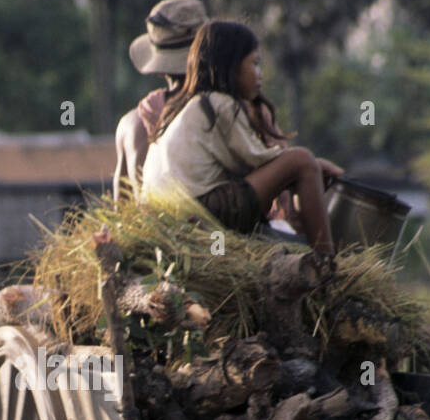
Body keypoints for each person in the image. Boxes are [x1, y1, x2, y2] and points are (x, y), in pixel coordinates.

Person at [141, 20, 343, 266]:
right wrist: (314, 166)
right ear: (232, 65)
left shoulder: (181, 106)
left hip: (168, 220)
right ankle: (327, 264)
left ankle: (311, 252)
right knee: (301, 160)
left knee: (302, 165)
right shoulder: (219, 104)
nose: (260, 74)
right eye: (255, 64)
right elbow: (258, 162)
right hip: (201, 213)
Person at [113, 0, 208, 203]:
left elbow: (121, 213)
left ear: (158, 70)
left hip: (149, 234)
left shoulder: (130, 125)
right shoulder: (221, 113)